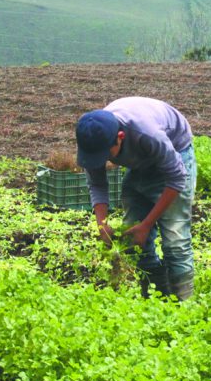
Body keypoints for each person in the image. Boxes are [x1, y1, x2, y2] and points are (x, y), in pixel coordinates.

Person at [75, 97, 197, 300]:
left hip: (176, 152)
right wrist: (101, 224)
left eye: (106, 154)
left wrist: (147, 225)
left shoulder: (147, 133)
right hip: (141, 159)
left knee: (175, 242)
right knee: (133, 239)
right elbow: (97, 183)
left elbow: (177, 178)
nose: (103, 160)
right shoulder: (93, 138)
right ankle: (156, 297)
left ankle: (184, 307)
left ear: (120, 137)